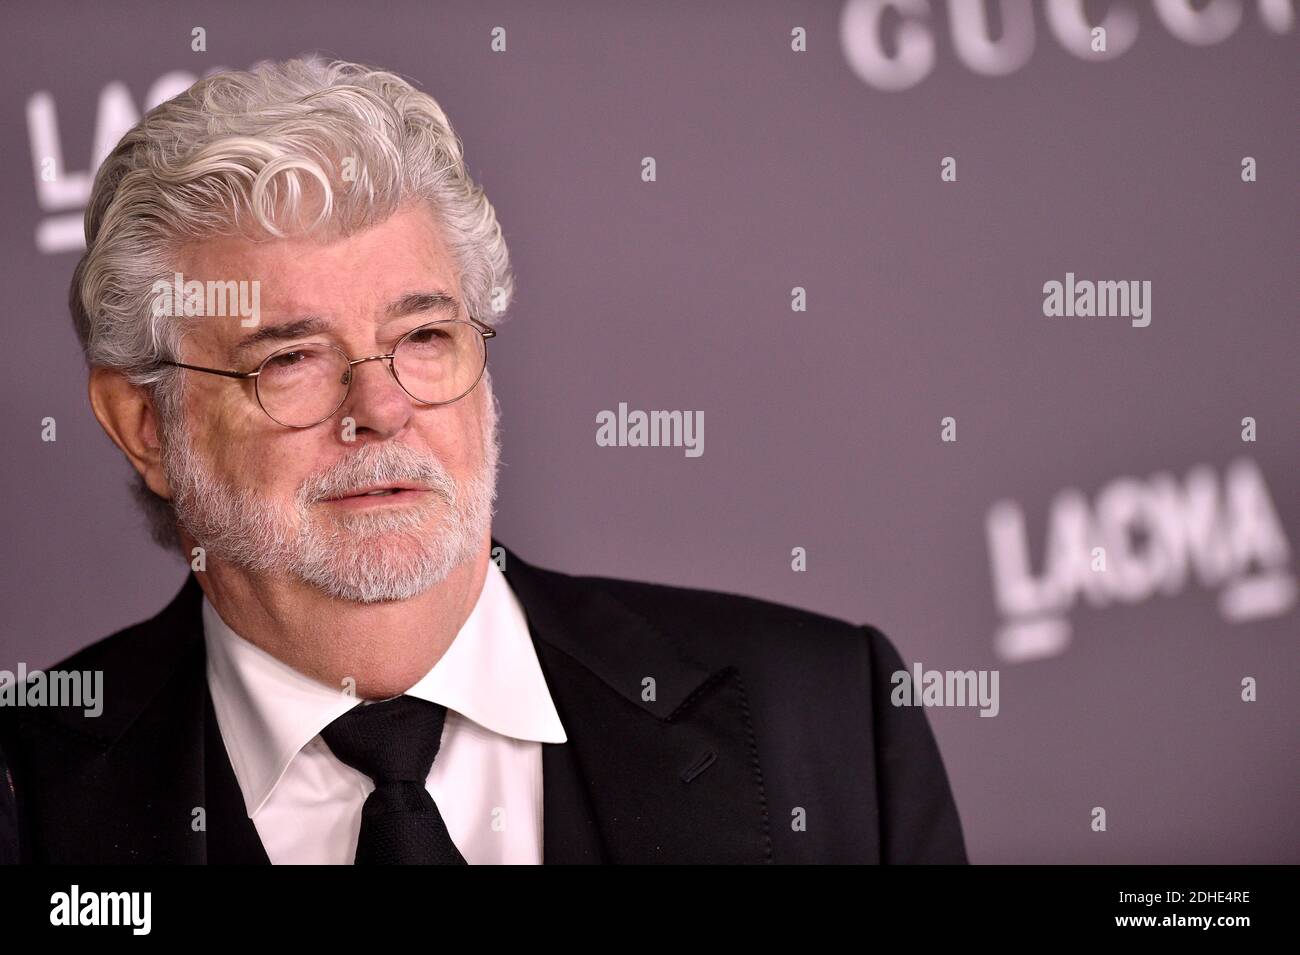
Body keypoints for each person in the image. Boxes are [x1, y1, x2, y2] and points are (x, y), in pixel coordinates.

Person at [0, 56, 965, 864]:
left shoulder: (828, 723)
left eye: (423, 335)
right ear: (145, 426)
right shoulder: (26, 797)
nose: (380, 408)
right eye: (289, 358)